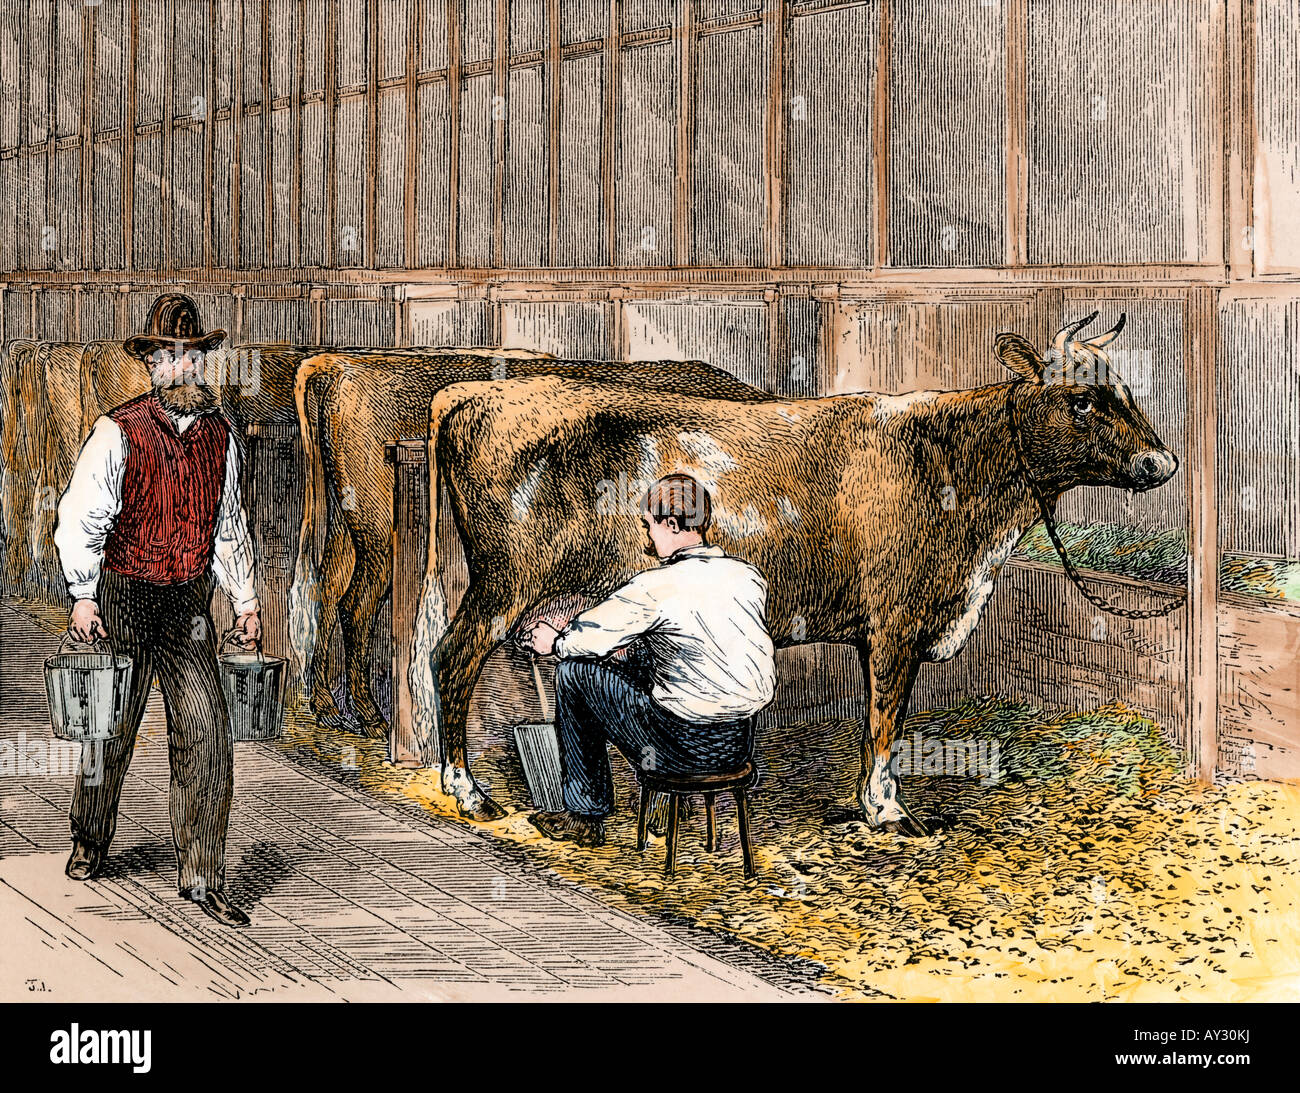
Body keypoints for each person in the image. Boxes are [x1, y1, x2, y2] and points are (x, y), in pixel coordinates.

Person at [52, 293, 261, 927]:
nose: (182, 368)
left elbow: (228, 525)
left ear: (204, 362)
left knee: (205, 734)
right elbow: (80, 516)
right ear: (151, 364)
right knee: (106, 731)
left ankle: (203, 876)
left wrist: (246, 601)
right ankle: (90, 840)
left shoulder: (221, 436)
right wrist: (83, 594)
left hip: (188, 603)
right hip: (121, 594)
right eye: (170, 357)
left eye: (192, 356)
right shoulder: (117, 430)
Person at [527, 473, 775, 847]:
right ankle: (662, 806)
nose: (647, 538)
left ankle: (585, 815)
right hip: (737, 744)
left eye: (650, 526)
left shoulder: (656, 586)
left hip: (677, 752)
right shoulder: (748, 577)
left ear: (672, 524)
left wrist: (554, 641)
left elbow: (590, 636)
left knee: (574, 672)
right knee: (648, 656)